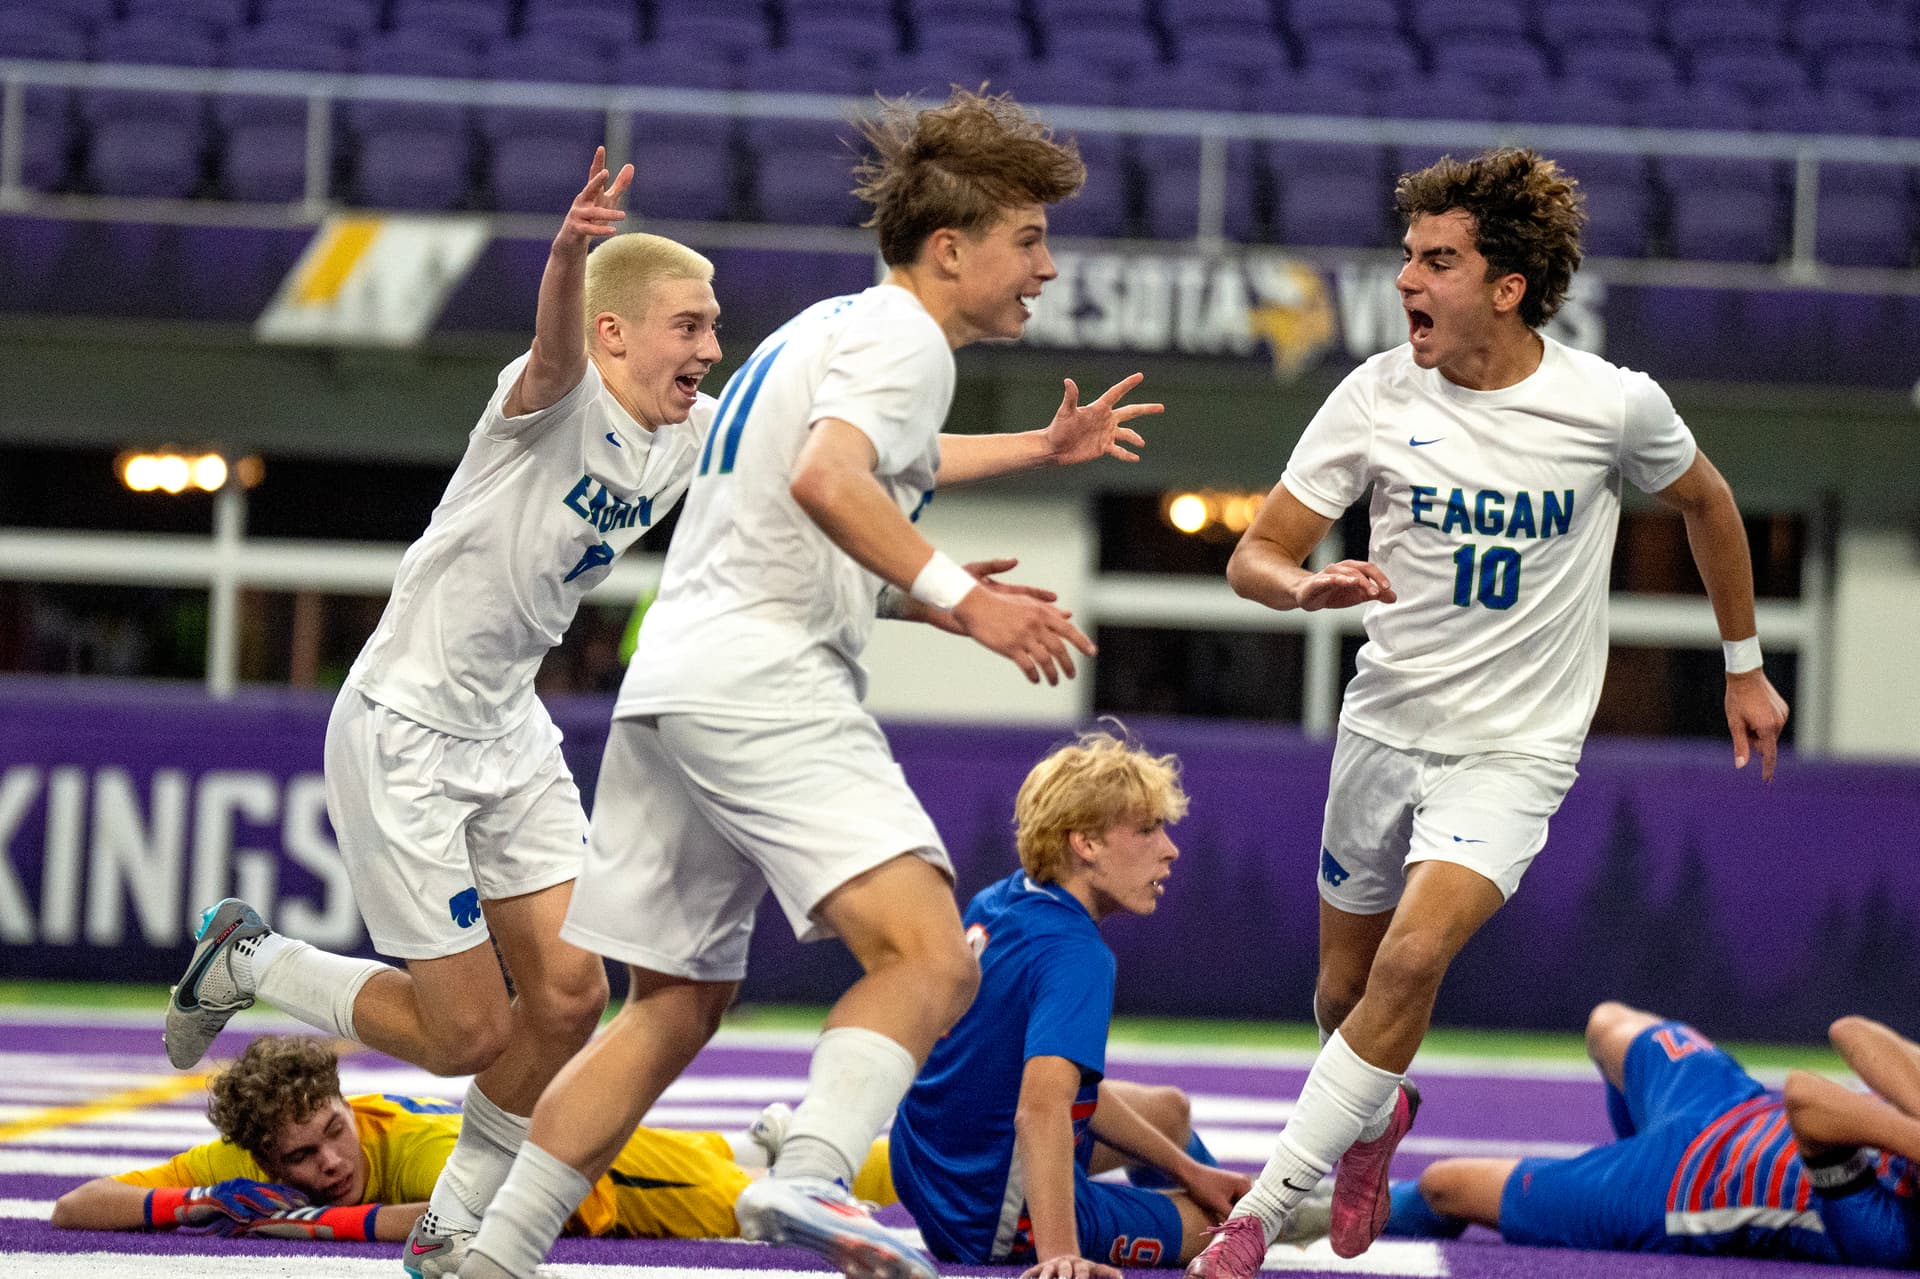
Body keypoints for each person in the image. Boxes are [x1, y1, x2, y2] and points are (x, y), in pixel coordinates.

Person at [459, 88, 1160, 1279]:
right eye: (1029, 238)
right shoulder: (907, 342)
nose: (1046, 266)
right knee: (934, 955)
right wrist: (958, 597)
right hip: (765, 682)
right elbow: (834, 483)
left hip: (674, 681)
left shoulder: (831, 325)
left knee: (672, 1005)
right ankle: (812, 1170)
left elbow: (878, 462)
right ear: (952, 248)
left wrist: (1037, 451)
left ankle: (487, 1254)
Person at [1187, 147, 1791, 1278]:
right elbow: (1254, 556)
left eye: (1437, 261)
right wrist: (1305, 585)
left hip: (1515, 751)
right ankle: (1374, 1114)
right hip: (1385, 727)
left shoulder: (1614, 405)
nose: (1406, 280)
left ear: (1506, 288)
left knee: (1413, 960)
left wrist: (1743, 664)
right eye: (1407, 257)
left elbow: (1709, 502)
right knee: (1344, 993)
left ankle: (1259, 1214)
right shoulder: (1373, 392)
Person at [162, 147, 728, 1278]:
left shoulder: (694, 431)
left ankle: (453, 1228)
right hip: (403, 726)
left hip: (508, 727)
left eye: (716, 328)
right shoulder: (547, 400)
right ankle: (253, 957)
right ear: (619, 332)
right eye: (690, 326)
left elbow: (842, 464)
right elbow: (562, 345)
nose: (711, 348)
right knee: (468, 1036)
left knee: (573, 994)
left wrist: (1030, 450)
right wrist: (567, 256)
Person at [890, 727, 1253, 1277]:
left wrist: (1187, 1169)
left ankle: (1210, 1186)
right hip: (992, 1212)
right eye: (1147, 830)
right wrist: (1060, 1253)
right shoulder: (1077, 955)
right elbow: (1040, 1109)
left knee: (1170, 1112)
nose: (1170, 848)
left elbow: (1040, 1079)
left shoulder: (1004, 899)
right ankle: (1266, 1214)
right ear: (1085, 844)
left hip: (932, 1168)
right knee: (1233, 1240)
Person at [52, 1034, 894, 1243]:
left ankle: (772, 1169)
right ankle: (765, 1148)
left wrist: (294, 1217)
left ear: (345, 1105)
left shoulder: (415, 1154)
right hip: (569, 1134)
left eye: (333, 1134)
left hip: (588, 1172)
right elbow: (73, 1206)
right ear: (260, 1155)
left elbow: (447, 1217)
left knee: (766, 1211)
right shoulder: (238, 1158)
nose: (331, 1162)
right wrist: (194, 1200)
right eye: (301, 1159)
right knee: (762, 1163)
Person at [1385, 1001, 1920, 1268]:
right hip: (1729, 1102)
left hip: (1680, 1185)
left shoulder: (1893, 1236)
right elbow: (1850, 1033)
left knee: (1445, 1185)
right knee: (1606, 1022)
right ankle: (1622, 1150)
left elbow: (1808, 1100)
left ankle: (1351, 1206)